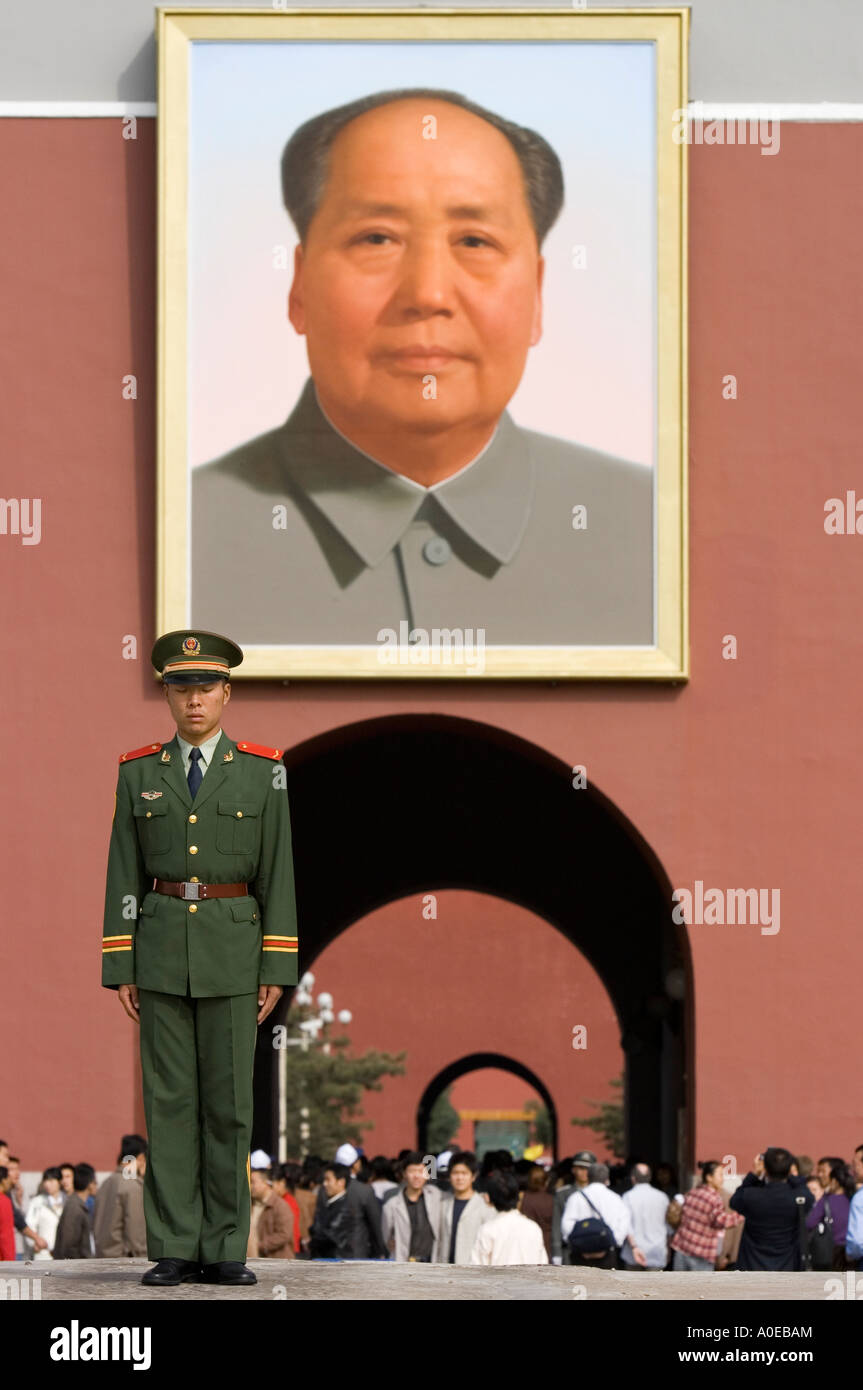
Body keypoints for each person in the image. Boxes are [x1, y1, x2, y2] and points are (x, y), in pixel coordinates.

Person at [193, 88, 653, 649]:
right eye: (377, 238)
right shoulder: (181, 539)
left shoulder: (658, 535)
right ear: (299, 289)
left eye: (475, 241)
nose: (428, 293)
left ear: (536, 295)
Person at [102, 629, 299, 1288]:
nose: (194, 701)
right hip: (158, 952)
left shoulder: (262, 770)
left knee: (229, 1106)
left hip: (233, 952)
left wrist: (273, 966)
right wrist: (121, 962)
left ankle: (224, 1247)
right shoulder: (138, 772)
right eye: (181, 688)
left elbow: (278, 873)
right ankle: (174, 1245)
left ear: (227, 693)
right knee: (168, 1104)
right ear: (166, 694)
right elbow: (123, 872)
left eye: (206, 688)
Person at [729, 1147, 814, 1271]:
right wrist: (788, 1173)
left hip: (753, 1266)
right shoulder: (799, 1197)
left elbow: (734, 1201)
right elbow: (806, 1191)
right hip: (788, 1266)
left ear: (766, 1169)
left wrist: (754, 1174)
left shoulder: (751, 1195)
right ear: (790, 1169)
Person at [561, 1161, 644, 1270]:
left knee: (580, 1286)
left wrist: (576, 1243)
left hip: (580, 1255)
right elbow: (624, 1223)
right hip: (607, 1255)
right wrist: (613, 1242)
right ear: (607, 1180)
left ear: (588, 1178)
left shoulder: (575, 1198)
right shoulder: (616, 1199)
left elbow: (566, 1226)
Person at [313, 1142, 387, 1258]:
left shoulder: (323, 1189)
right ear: (356, 1164)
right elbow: (375, 1225)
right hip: (358, 1253)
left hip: (329, 1255)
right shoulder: (364, 1190)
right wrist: (381, 1251)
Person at [670, 1161, 743, 1271]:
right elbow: (721, 1221)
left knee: (678, 1285)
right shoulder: (714, 1198)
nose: (722, 1179)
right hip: (701, 1253)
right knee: (701, 1287)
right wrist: (741, 1215)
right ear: (709, 1177)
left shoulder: (693, 1192)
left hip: (682, 1247)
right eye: (720, 1175)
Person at [471, 1169, 549, 1266]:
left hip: (495, 1280)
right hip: (530, 1280)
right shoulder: (533, 1228)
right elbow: (543, 1264)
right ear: (518, 1196)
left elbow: (477, 1266)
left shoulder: (487, 1230)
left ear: (489, 1199)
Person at [91, 1136, 148, 1258]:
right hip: (124, 1260)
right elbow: (136, 1235)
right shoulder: (133, 1186)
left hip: (102, 1257)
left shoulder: (106, 1183)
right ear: (141, 1158)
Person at [381, 1151, 443, 1262]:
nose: (416, 1176)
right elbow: (386, 1237)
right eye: (412, 1171)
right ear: (404, 1174)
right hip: (404, 1261)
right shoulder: (391, 1205)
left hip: (431, 1262)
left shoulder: (436, 1196)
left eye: (421, 1171)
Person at [439, 1151, 495, 1264]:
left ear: (473, 1176)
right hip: (444, 1269)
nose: (459, 1178)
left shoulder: (485, 1205)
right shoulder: (442, 1203)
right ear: (449, 1176)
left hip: (473, 1270)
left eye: (464, 1173)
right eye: (455, 1173)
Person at [805, 1159, 855, 1271]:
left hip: (832, 1252)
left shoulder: (827, 1200)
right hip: (852, 1253)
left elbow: (809, 1223)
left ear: (835, 1182)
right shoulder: (853, 1199)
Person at [621, 1163, 671, 1270]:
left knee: (631, 1286)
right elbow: (668, 1226)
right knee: (654, 1285)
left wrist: (634, 1246)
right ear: (650, 1178)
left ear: (633, 1178)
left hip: (633, 1252)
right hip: (657, 1251)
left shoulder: (627, 1197)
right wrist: (668, 1249)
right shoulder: (662, 1197)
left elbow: (626, 1225)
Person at [551, 1150, 595, 1266]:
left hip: (595, 1248)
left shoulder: (600, 1194)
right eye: (580, 1168)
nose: (584, 1172)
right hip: (570, 1250)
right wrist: (557, 1252)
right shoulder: (562, 1194)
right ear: (573, 1169)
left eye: (587, 1168)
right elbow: (556, 1225)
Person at [53, 1164, 98, 1259]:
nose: (96, 1185)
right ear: (89, 1184)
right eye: (95, 1182)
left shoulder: (78, 1204)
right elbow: (69, 1246)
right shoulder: (74, 1207)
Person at [249, 1166, 294, 1259]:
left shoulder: (280, 1206)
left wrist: (259, 1245)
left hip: (277, 1260)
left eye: (253, 1182)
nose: (250, 1186)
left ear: (266, 1183)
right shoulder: (249, 1204)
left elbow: (284, 1234)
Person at [309, 1163, 353, 1258]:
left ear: (341, 1182)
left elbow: (330, 1235)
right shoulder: (328, 1203)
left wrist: (315, 1232)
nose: (325, 1184)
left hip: (336, 1261)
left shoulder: (346, 1206)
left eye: (328, 1180)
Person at [25, 1167, 65, 1260]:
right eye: (45, 1181)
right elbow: (29, 1224)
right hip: (43, 1254)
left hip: (64, 1254)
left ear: (59, 1182)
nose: (47, 1184)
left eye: (51, 1181)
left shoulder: (68, 1202)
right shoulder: (37, 1202)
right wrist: (34, 1242)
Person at [519, 1164, 555, 1259]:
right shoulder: (551, 1200)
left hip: (526, 1243)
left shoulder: (522, 1198)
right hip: (547, 1243)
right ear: (546, 1181)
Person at [272, 1163, 302, 1256]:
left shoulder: (286, 1202)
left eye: (271, 1186)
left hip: (289, 1250)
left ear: (282, 1183)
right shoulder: (283, 1200)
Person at [843, 1145, 863, 1271]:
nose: (853, 1170)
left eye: (855, 1164)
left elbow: (857, 1241)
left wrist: (850, 1254)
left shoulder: (860, 1198)